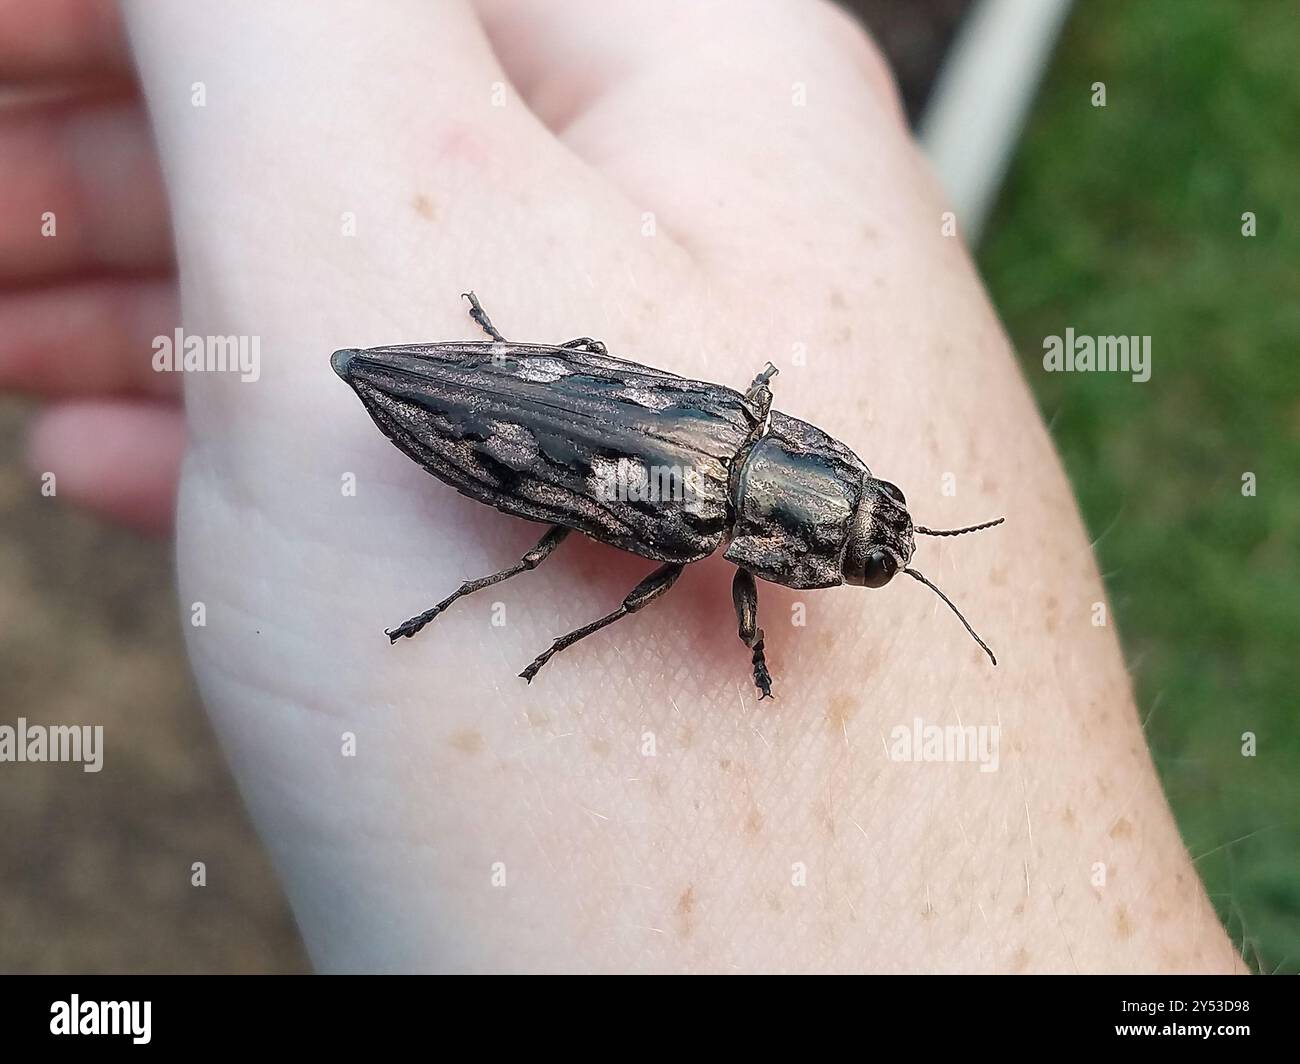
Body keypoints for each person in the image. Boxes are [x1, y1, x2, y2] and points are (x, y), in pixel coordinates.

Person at [0, 0, 1241, 973]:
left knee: (575, 420)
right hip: (474, 418)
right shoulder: (706, 520)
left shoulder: (728, 418)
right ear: (799, 530)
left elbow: (588, 376)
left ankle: (488, 395)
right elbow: (655, 546)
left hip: (523, 390)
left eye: (864, 541)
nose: (865, 542)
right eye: (865, 536)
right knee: (553, 553)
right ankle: (467, 584)